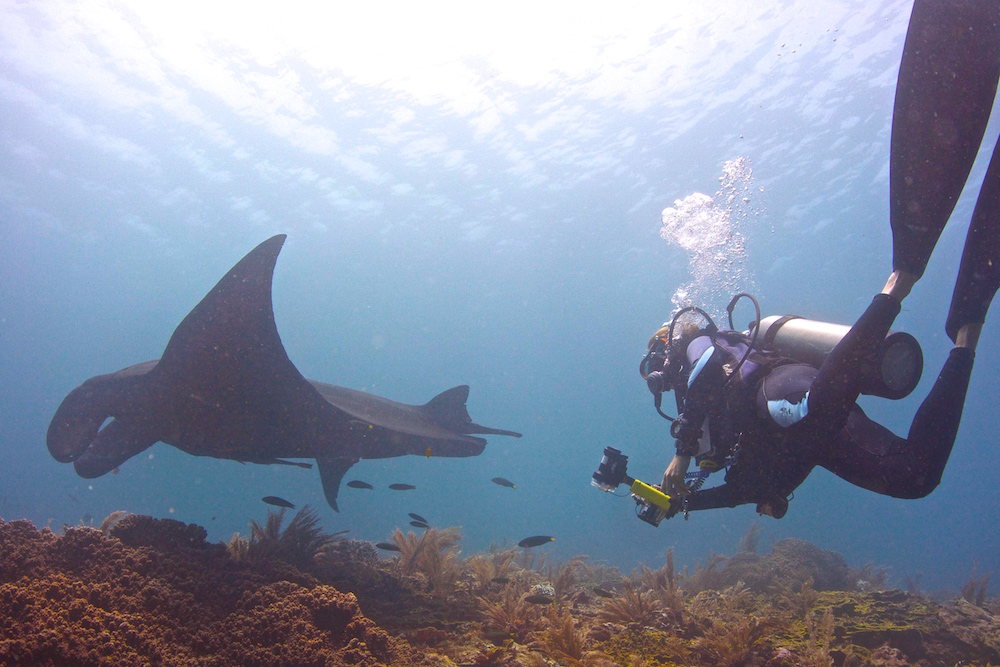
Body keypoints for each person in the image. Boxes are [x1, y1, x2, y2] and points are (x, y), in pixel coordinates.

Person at [641, 0, 1000, 520]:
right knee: (915, 475)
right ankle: (968, 332)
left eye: (653, 365)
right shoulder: (703, 424)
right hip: (799, 427)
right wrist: (681, 504)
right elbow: (745, 488)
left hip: (788, 393)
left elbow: (708, 370)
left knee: (812, 410)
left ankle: (901, 280)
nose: (655, 375)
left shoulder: (688, 343)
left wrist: (678, 452)